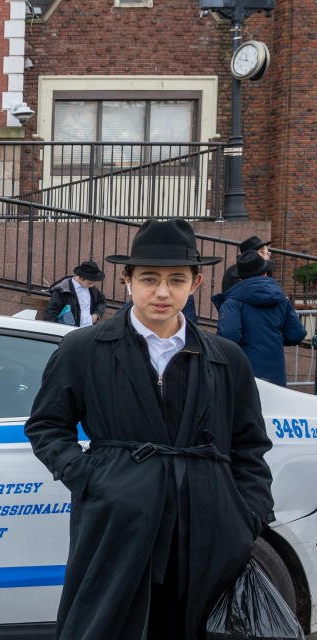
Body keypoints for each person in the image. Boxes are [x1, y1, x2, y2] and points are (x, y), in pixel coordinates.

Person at [25, 218, 273, 639]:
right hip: (119, 521)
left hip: (208, 524)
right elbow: (48, 425)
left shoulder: (226, 358)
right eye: (150, 279)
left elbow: (249, 444)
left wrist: (249, 514)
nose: (162, 292)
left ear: (195, 283)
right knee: (107, 624)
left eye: (176, 280)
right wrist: (93, 479)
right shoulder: (85, 349)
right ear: (127, 280)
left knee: (194, 626)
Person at [216, 251, 307, 387]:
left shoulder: (233, 302)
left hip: (244, 374)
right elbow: (297, 334)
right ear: (264, 273)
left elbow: (228, 337)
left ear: (240, 279)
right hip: (276, 375)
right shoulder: (281, 300)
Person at [43, 261, 106, 327]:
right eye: (89, 283)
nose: (92, 285)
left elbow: (102, 301)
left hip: (88, 331)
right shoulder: (62, 290)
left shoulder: (92, 290)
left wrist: (96, 314)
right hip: (70, 333)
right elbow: (51, 314)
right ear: (81, 278)